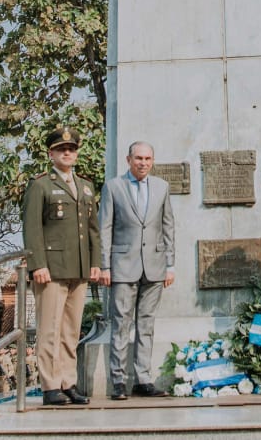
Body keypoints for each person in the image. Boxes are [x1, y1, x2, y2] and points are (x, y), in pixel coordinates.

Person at [22, 126, 101, 408]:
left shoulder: (86, 186)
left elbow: (92, 230)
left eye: (71, 149)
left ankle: (68, 382)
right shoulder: (41, 185)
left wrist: (95, 263)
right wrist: (37, 264)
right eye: (61, 149)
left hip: (78, 268)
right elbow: (32, 227)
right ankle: (51, 385)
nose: (67, 153)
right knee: (50, 330)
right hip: (52, 269)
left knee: (71, 331)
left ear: (76, 153)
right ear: (51, 154)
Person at [97, 140, 176, 401]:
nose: (143, 163)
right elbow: (105, 228)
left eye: (147, 159)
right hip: (122, 267)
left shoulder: (162, 187)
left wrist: (170, 265)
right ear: (128, 160)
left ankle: (143, 379)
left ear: (152, 161)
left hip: (154, 267)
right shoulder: (113, 187)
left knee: (147, 324)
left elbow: (168, 226)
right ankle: (119, 381)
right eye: (139, 158)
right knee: (121, 323)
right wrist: (105, 265)